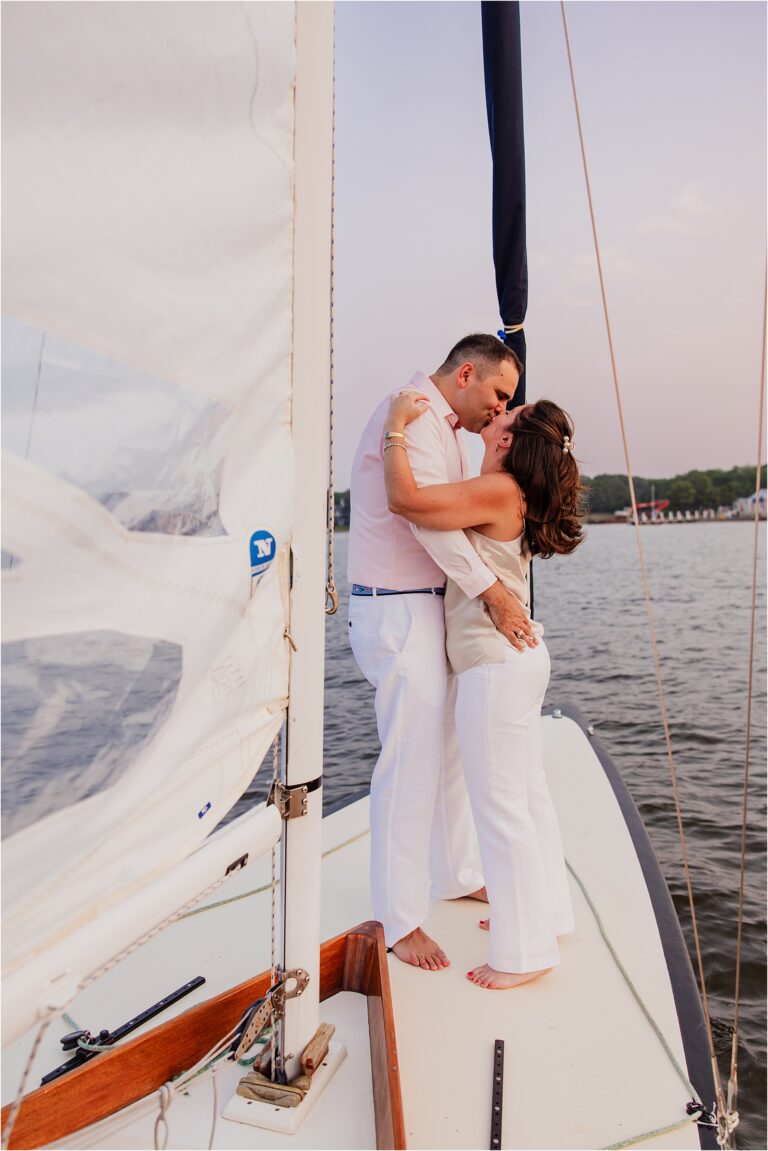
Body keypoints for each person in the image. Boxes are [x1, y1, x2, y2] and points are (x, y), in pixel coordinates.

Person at [348, 334, 536, 971]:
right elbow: (425, 520)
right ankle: (399, 921)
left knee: (451, 751)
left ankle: (454, 872)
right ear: (465, 373)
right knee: (411, 761)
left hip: (432, 607)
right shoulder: (412, 415)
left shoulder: (456, 430)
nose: (501, 408)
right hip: (396, 604)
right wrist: (494, 593)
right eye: (499, 394)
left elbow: (464, 518)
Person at [383, 391, 584, 989]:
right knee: (527, 798)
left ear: (508, 440)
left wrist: (396, 429)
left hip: (496, 667)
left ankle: (524, 954)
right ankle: (547, 915)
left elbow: (407, 501)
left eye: (507, 414)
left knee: (501, 811)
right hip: (516, 661)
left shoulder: (497, 493)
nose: (497, 414)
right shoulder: (506, 492)